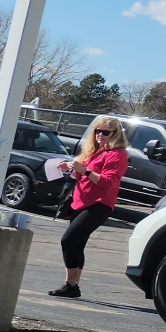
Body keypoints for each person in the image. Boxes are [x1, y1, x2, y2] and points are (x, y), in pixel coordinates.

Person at [50, 116, 128, 298]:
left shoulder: (117, 154)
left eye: (105, 132)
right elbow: (81, 176)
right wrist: (70, 168)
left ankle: (71, 284)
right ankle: (72, 285)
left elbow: (107, 182)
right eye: (97, 131)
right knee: (77, 244)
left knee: (68, 241)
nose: (100, 135)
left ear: (115, 134)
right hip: (80, 201)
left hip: (99, 204)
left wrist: (85, 170)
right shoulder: (94, 151)